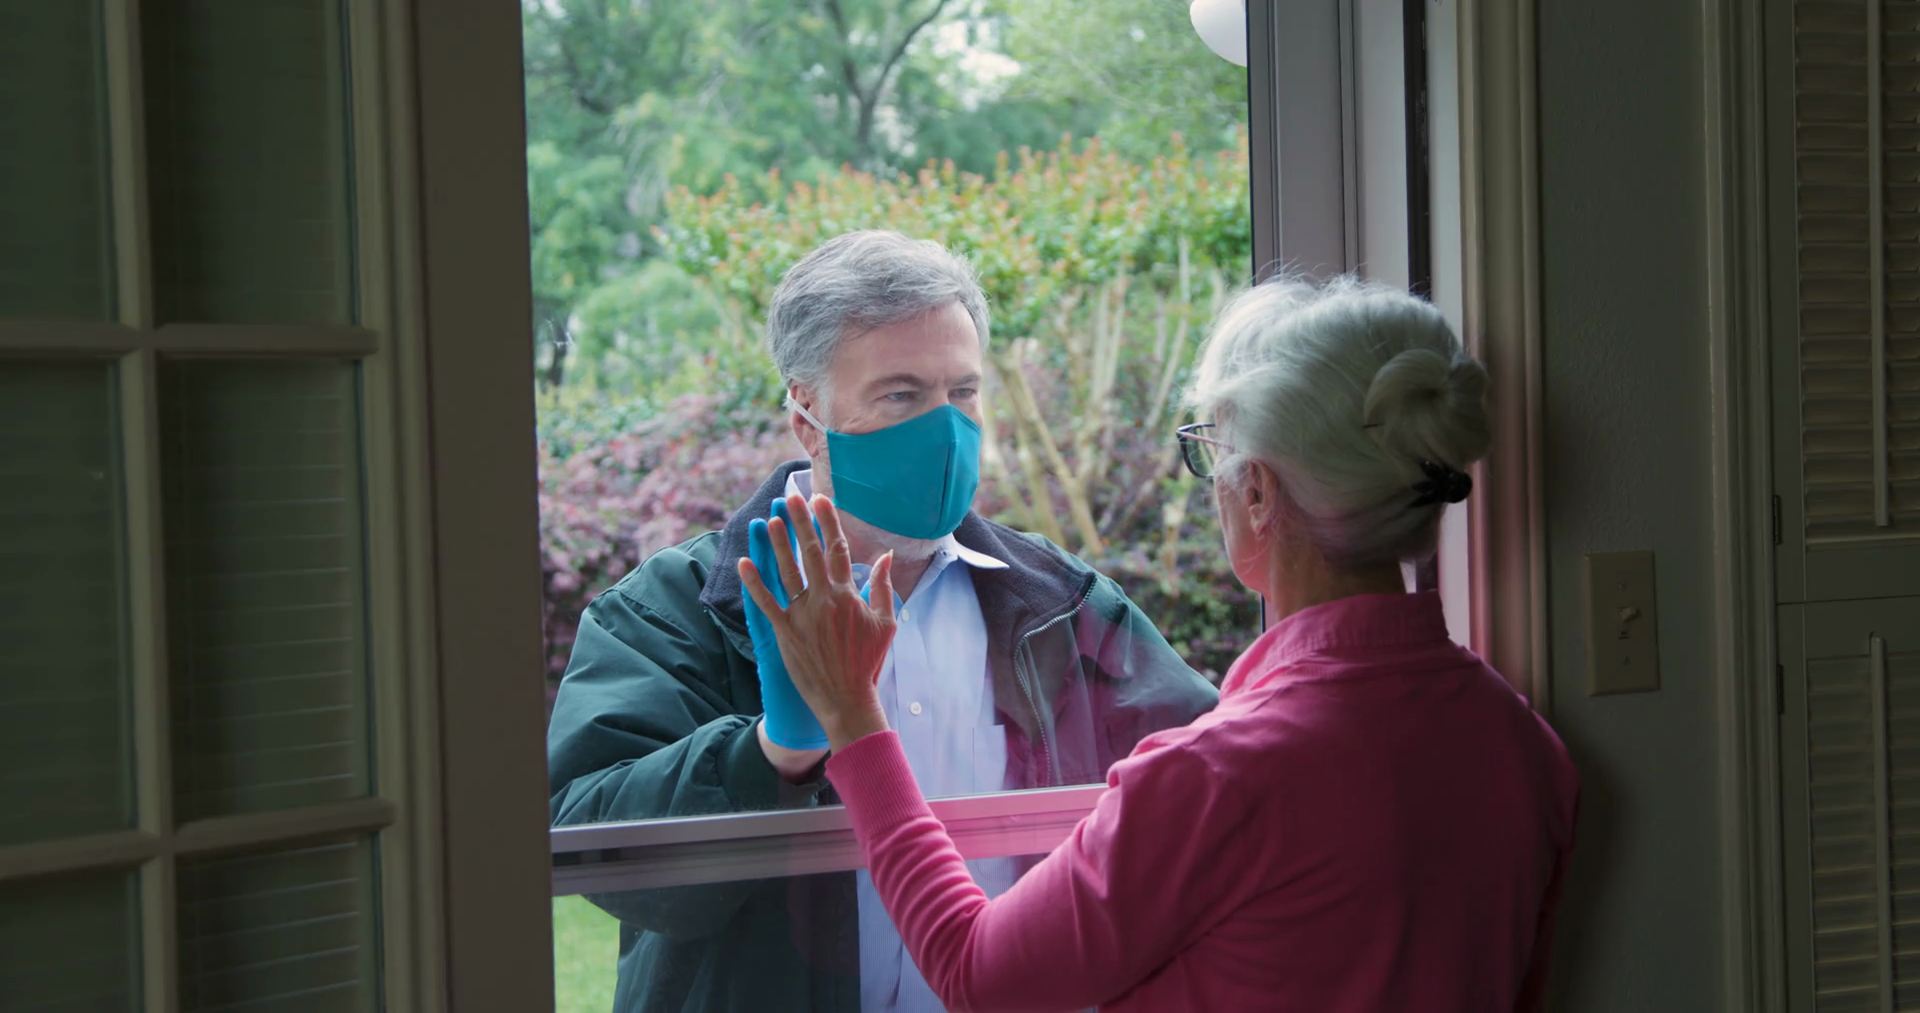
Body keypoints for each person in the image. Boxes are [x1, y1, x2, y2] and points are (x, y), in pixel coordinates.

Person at [741, 276, 1581, 1012]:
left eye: (1209, 451)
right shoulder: (1519, 741)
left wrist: (852, 714)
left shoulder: (1216, 776)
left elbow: (973, 969)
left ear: (1255, 490)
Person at [545, 230, 1219, 1012]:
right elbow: (594, 844)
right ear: (807, 417)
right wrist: (772, 750)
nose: (945, 427)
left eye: (962, 392)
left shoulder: (1060, 604)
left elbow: (1217, 783)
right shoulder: (675, 608)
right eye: (901, 395)